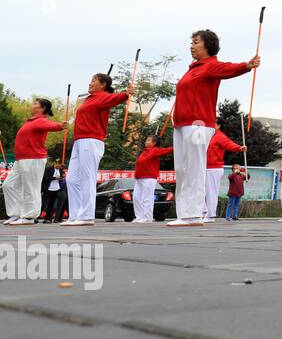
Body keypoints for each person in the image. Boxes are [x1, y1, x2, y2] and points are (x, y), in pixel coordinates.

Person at [168, 29, 259, 227]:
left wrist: (246, 65)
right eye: (191, 42)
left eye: (196, 42)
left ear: (207, 45)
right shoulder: (193, 68)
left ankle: (193, 214)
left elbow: (228, 69)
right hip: (183, 124)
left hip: (198, 124)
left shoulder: (210, 66)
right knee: (182, 169)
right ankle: (185, 214)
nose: (191, 45)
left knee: (194, 168)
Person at [63, 72, 132, 226]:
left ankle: (87, 216)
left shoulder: (103, 97)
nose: (90, 82)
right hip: (79, 141)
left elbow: (116, 98)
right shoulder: (90, 99)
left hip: (91, 140)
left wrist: (126, 94)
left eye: (93, 80)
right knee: (72, 179)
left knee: (88, 179)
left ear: (103, 85)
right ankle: (75, 215)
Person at [3, 98, 65, 225]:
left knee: (31, 188)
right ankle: (16, 213)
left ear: (42, 109)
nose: (32, 105)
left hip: (33, 158)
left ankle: (29, 217)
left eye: (35, 104)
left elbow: (51, 126)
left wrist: (60, 126)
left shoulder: (40, 120)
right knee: (9, 185)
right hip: (21, 159)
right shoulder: (30, 122)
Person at [205, 129, 244, 223]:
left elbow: (228, 144)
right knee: (203, 191)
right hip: (205, 167)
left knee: (211, 193)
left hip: (214, 168)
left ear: (218, 125)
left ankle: (210, 215)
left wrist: (239, 148)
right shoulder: (208, 135)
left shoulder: (219, 136)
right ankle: (204, 213)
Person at [131, 135, 172, 224]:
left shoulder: (155, 150)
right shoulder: (144, 151)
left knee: (147, 198)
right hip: (139, 178)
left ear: (154, 143)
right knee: (136, 198)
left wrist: (176, 146)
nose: (146, 141)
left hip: (149, 178)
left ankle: (147, 217)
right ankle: (139, 217)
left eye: (149, 140)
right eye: (146, 140)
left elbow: (167, 150)